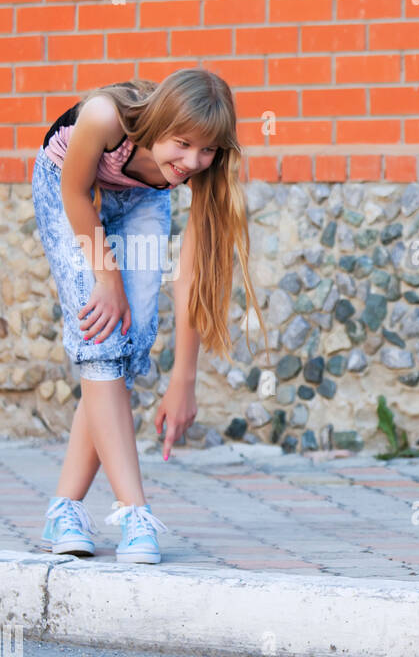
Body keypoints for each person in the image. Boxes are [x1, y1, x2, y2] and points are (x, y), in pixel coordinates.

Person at [32, 69, 265, 564]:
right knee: (100, 330)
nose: (192, 162)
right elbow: (76, 195)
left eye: (206, 151)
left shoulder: (198, 171)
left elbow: (192, 278)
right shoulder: (104, 117)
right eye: (182, 144)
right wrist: (107, 278)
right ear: (158, 124)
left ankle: (64, 508)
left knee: (127, 344)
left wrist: (184, 378)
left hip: (140, 196)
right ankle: (134, 510)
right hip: (66, 186)